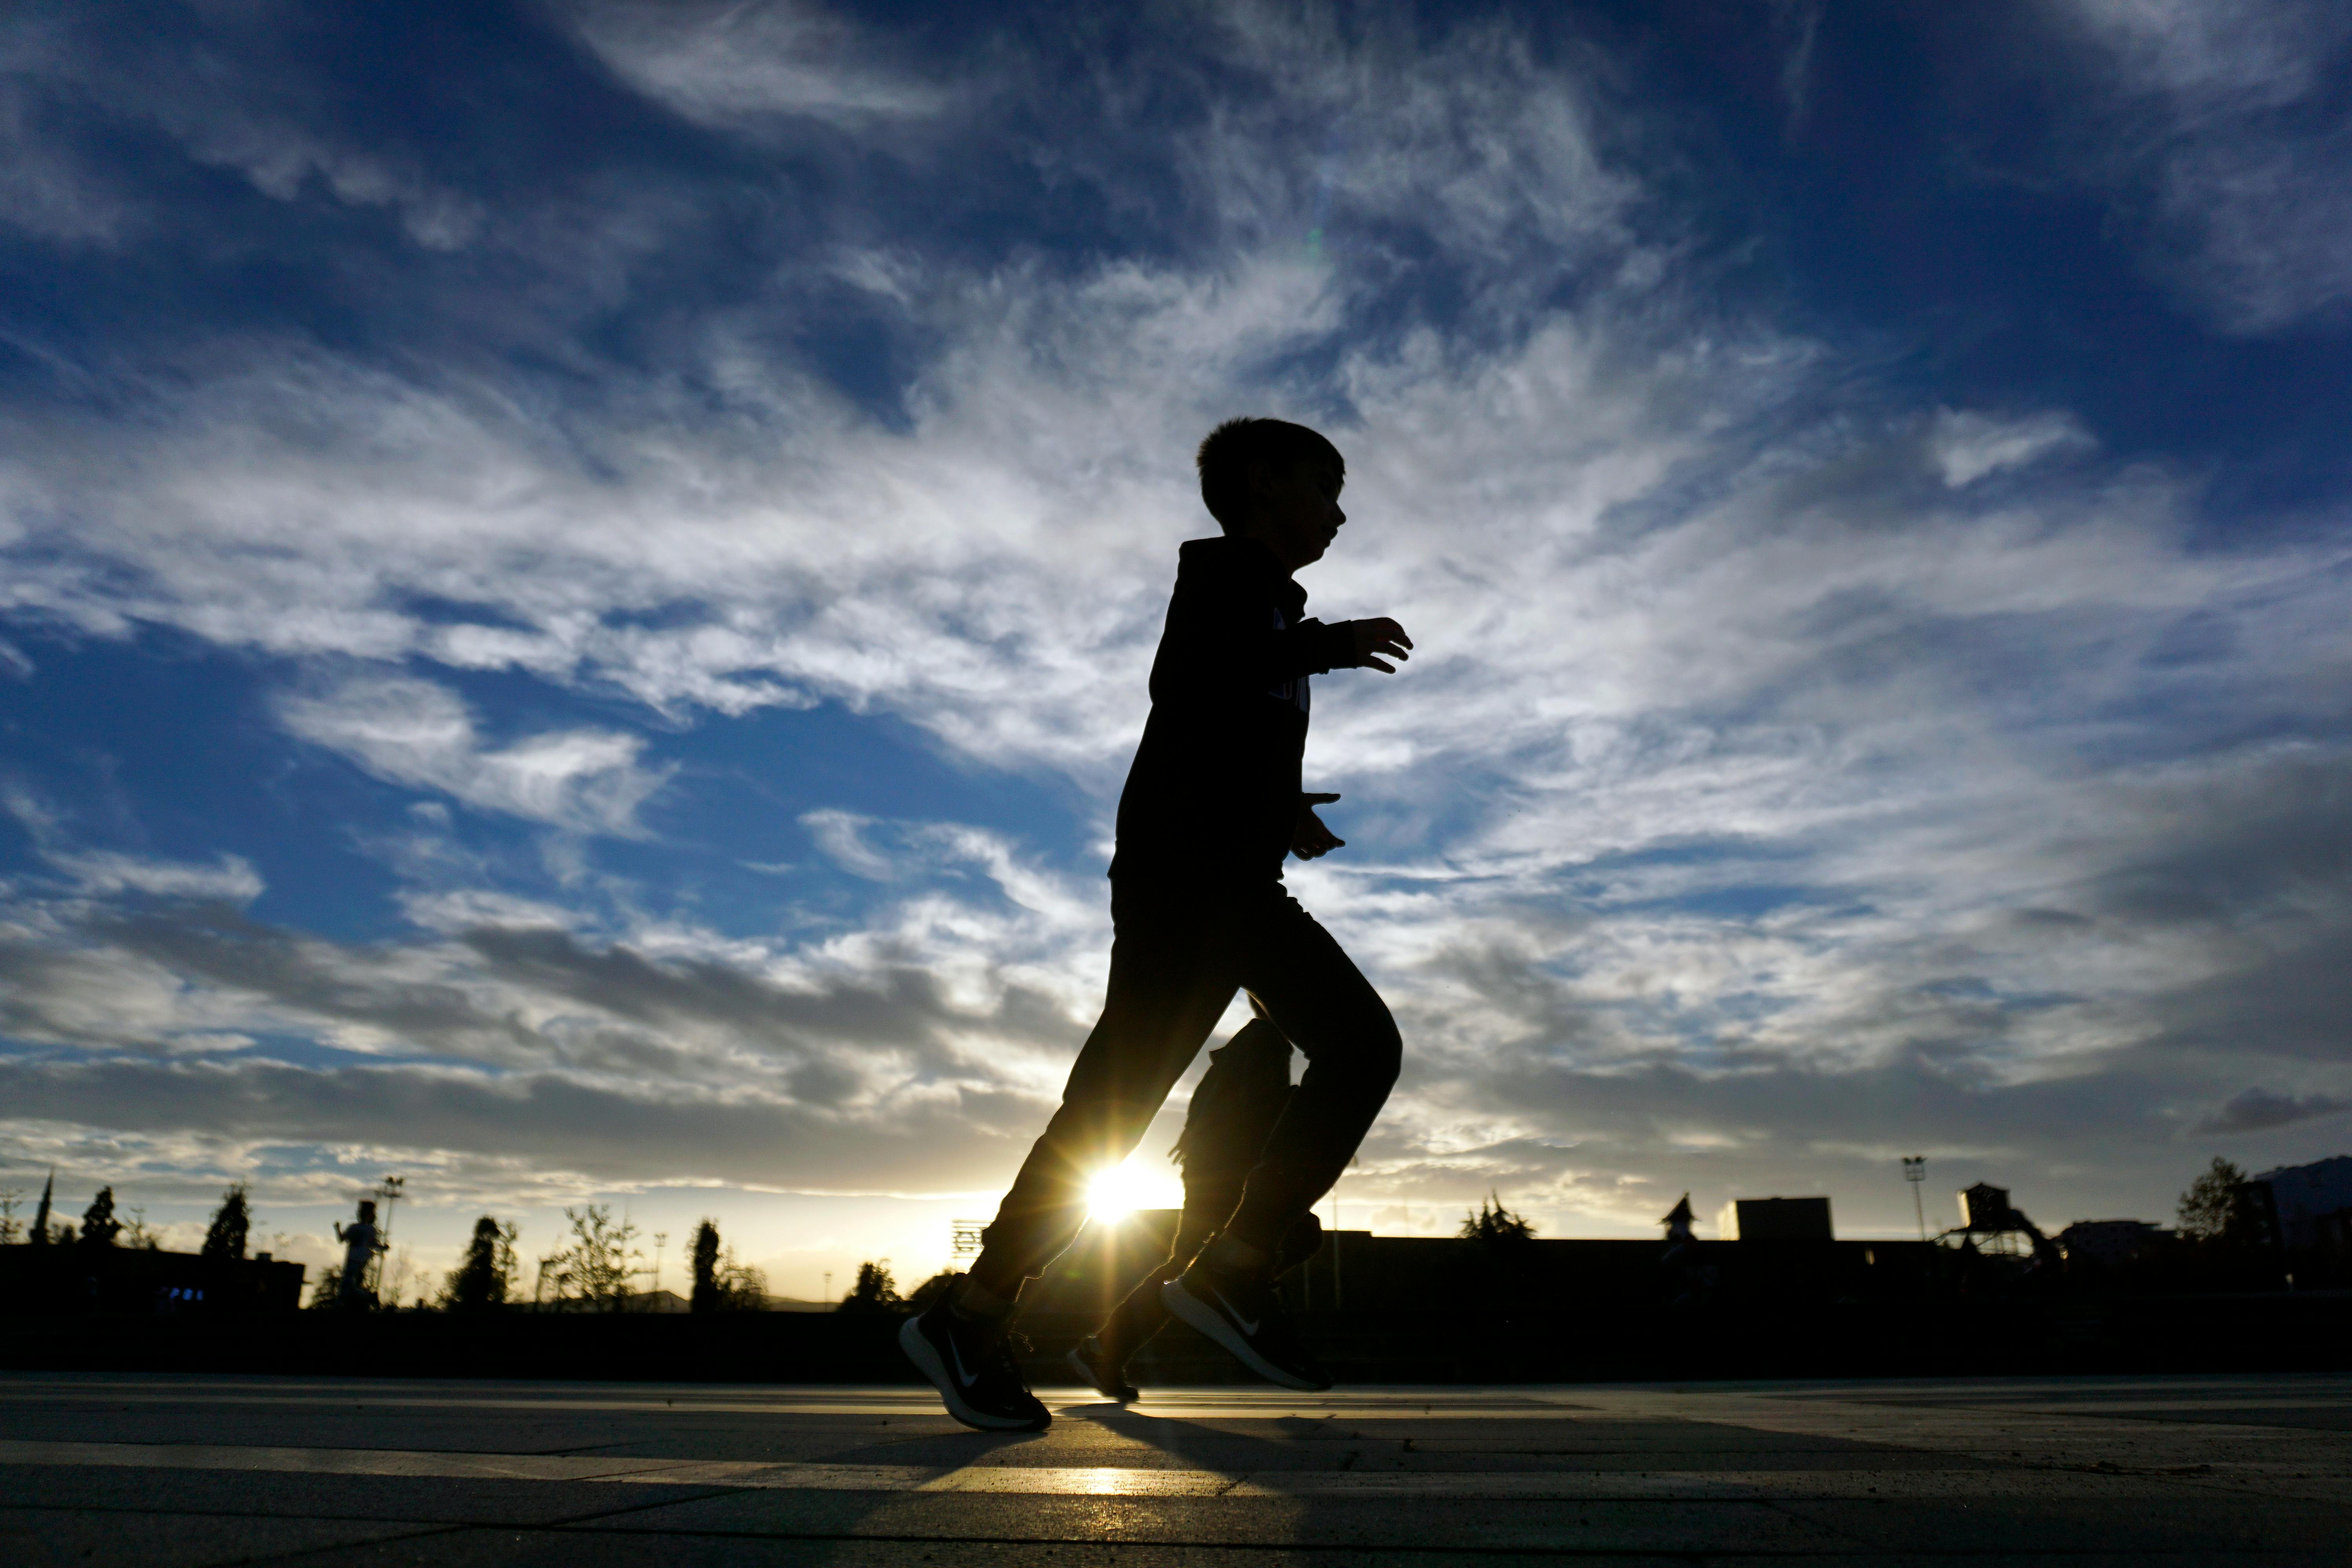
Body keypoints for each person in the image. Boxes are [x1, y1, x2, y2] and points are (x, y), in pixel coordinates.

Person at [901, 416, 1411, 1430]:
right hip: (1188, 889)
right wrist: (1329, 645)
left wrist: (1288, 812)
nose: (1341, 512)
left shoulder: (1268, 612)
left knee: (1329, 1055)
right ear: (1264, 483)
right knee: (1131, 1106)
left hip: (1229, 882)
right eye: (1326, 485)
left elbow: (1215, 732)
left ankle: (1191, 1269)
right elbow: (1190, 680)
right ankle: (1009, 1305)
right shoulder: (1226, 579)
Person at [1066, 1011, 1325, 1401]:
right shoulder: (1265, 1040)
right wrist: (1310, 1109)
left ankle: (1104, 1348)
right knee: (1296, 1234)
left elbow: (1220, 1110)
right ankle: (1236, 1284)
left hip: (1213, 1170)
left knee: (1187, 1270)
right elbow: (1259, 1109)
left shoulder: (1251, 1045)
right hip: (1226, 1172)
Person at [334, 1199, 381, 1310]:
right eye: (360, 1212)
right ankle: (368, 1297)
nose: (361, 1215)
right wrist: (337, 1229)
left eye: (364, 1213)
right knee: (349, 1286)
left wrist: (382, 1247)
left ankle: (363, 1299)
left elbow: (374, 1244)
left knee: (349, 1285)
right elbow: (342, 1239)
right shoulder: (353, 1227)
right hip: (351, 1259)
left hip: (361, 1261)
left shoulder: (370, 1229)